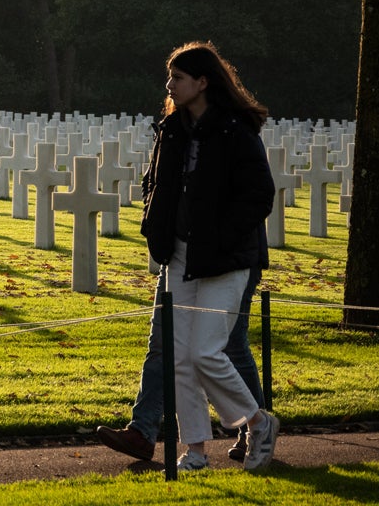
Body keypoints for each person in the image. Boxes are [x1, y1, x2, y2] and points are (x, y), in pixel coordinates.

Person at [120, 41, 278, 473]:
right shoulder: (172, 130)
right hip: (180, 254)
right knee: (179, 357)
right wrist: (157, 228)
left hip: (226, 258)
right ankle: (194, 451)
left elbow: (258, 194)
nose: (169, 85)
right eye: (170, 77)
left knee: (208, 352)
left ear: (202, 82)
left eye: (178, 78)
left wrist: (221, 237)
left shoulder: (234, 131)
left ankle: (259, 422)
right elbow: (154, 183)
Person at [95, 265, 265, 462]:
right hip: (176, 257)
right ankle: (144, 431)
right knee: (163, 343)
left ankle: (254, 428)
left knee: (229, 347)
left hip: (229, 258)